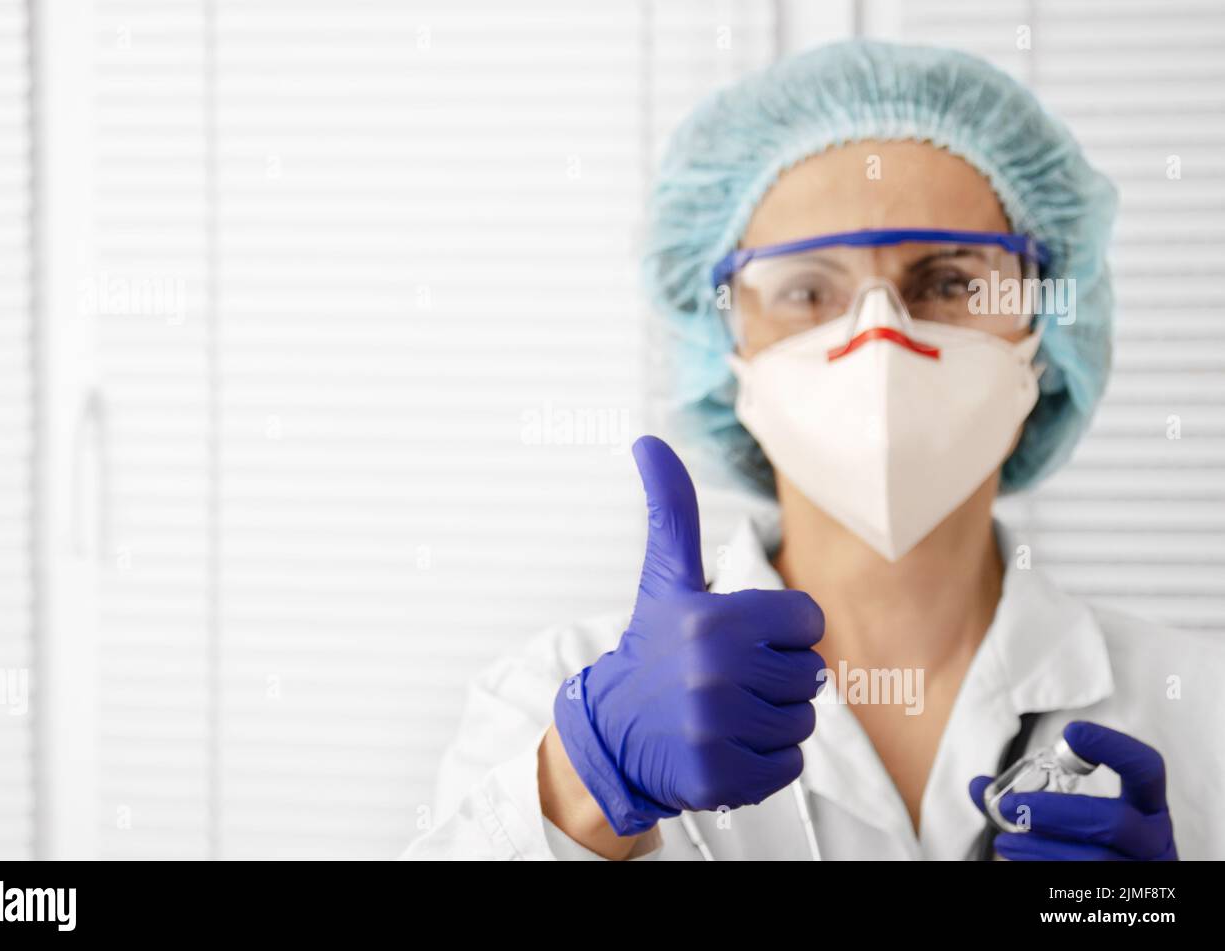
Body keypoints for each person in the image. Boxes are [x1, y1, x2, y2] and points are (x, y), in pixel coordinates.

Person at [402, 40, 1225, 860]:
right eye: (805, 291)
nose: (879, 339)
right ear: (724, 343)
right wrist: (584, 791)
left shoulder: (1201, 711)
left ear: (1043, 329)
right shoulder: (551, 699)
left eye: (947, 282)